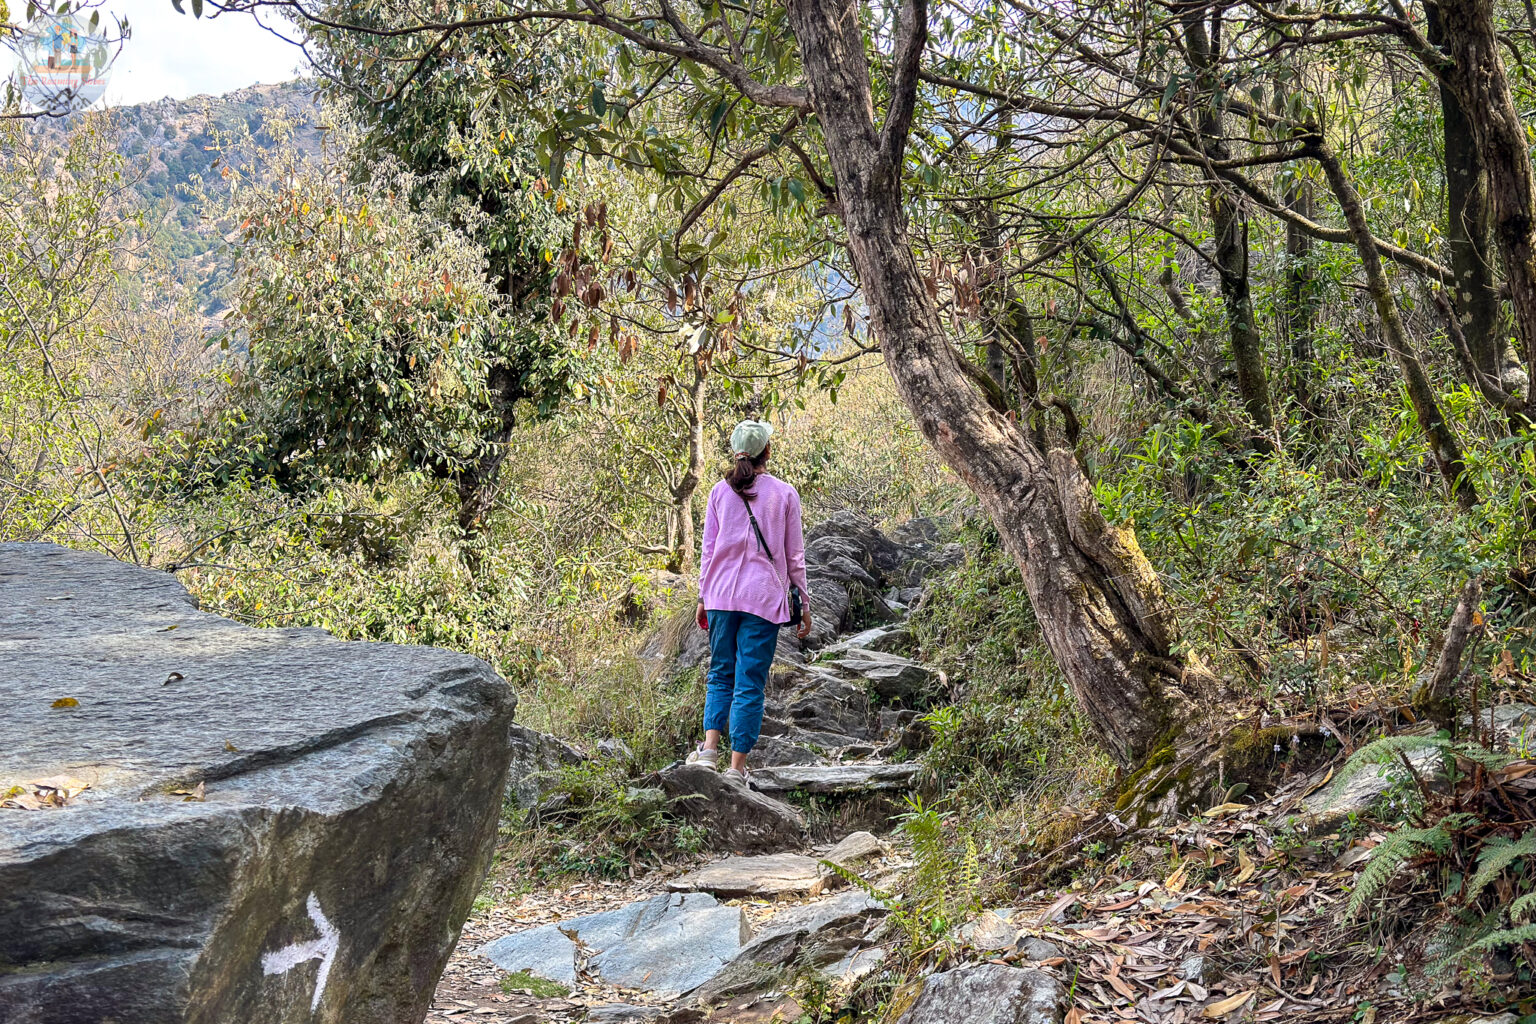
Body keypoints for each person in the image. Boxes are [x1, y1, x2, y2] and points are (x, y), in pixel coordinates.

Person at [687, 419, 812, 783]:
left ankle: (708, 750)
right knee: (749, 681)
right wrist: (804, 603)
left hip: (721, 596)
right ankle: (736, 769)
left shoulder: (717, 493)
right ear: (767, 452)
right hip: (762, 599)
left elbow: (708, 552)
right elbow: (795, 557)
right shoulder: (785, 494)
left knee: (720, 672)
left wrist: (702, 596)